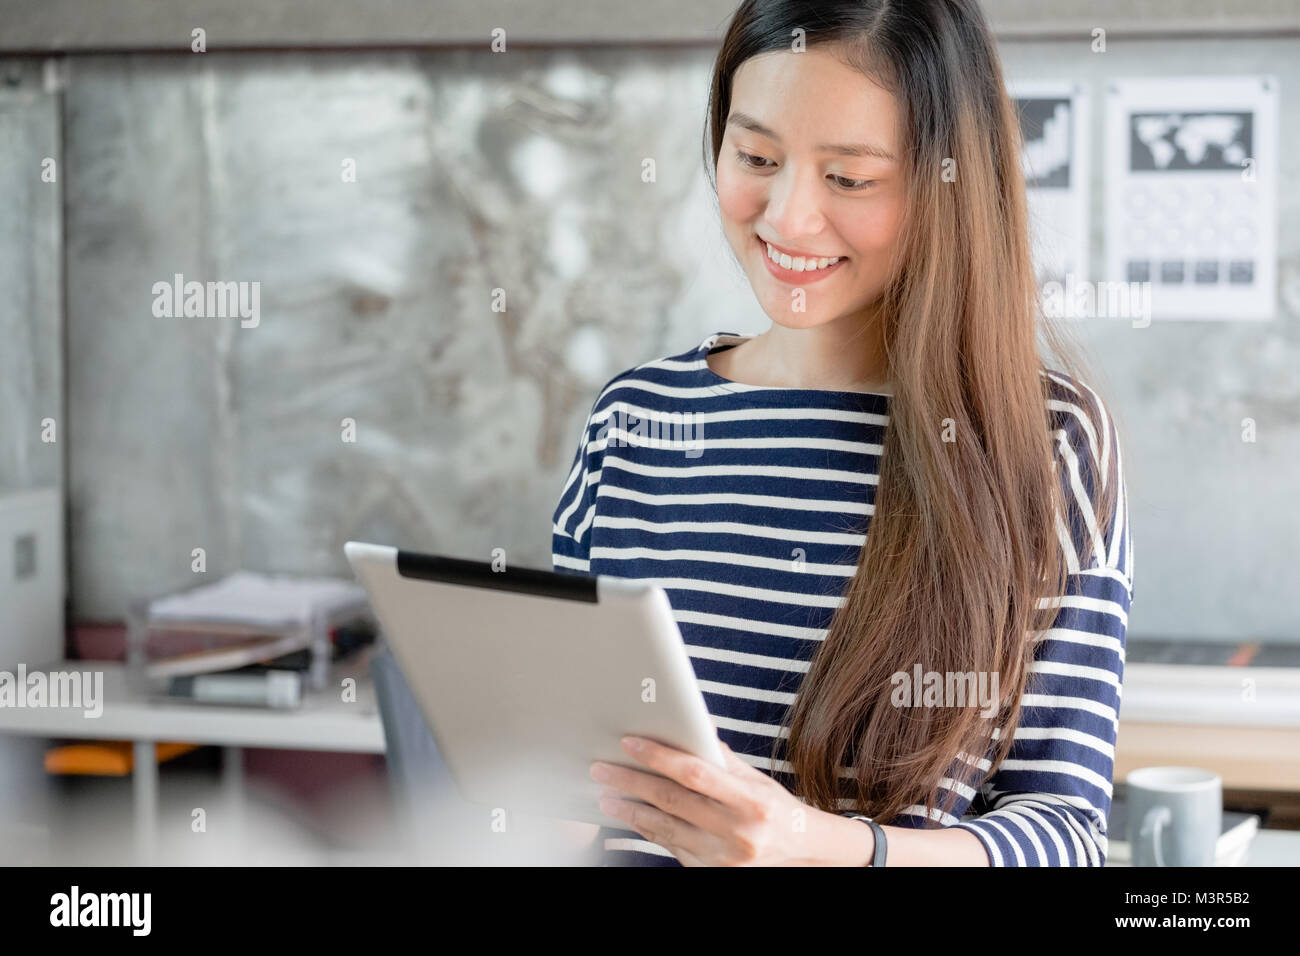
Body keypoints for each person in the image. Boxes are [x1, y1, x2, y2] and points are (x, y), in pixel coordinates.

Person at [551, 0, 1132, 866]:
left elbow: (1062, 834)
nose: (787, 218)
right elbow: (571, 766)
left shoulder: (1046, 442)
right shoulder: (632, 423)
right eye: (755, 157)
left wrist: (819, 846)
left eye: (849, 178)